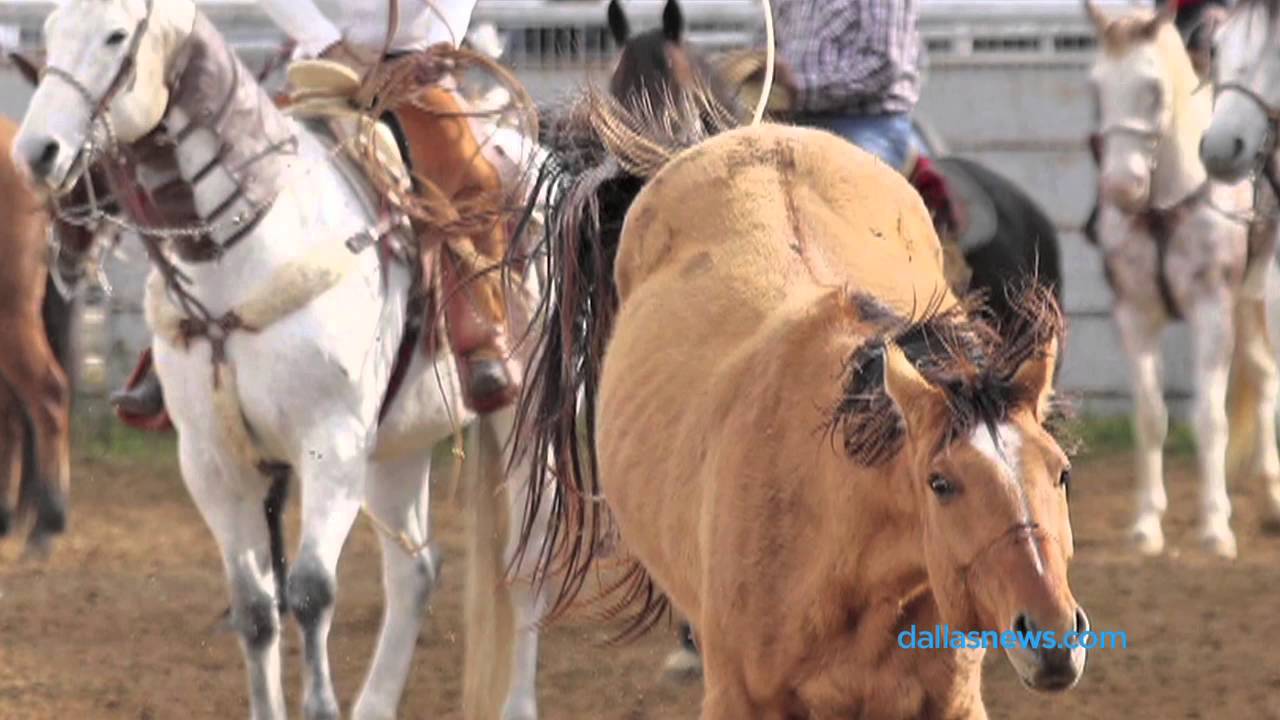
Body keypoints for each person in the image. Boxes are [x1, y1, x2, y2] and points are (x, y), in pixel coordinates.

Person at [111, 0, 523, 420]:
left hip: (415, 69)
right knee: (223, 179)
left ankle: (480, 336)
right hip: (323, 70)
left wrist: (438, 45)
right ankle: (179, 348)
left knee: (472, 176)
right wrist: (326, 43)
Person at [771, 0, 922, 174]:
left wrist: (798, 89)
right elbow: (769, 37)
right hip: (794, 122)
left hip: (867, 122)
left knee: (836, 188)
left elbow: (883, 63)